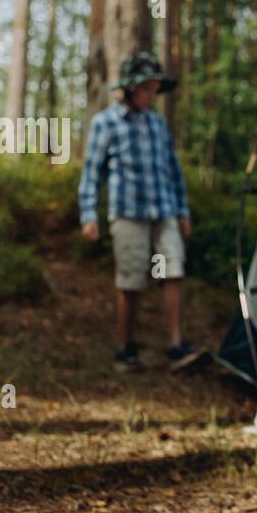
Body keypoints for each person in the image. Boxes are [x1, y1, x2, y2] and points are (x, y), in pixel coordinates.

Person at [78, 51, 198, 372]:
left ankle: (175, 345)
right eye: (146, 88)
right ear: (131, 89)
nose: (152, 94)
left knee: (173, 272)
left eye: (155, 88)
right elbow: (92, 172)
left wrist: (182, 211)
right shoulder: (106, 124)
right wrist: (89, 214)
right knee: (131, 280)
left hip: (165, 212)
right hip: (128, 214)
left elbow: (173, 170)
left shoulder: (158, 125)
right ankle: (125, 348)